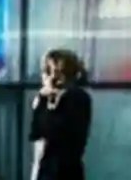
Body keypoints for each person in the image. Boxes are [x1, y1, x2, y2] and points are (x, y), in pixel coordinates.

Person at [29, 49, 92, 180]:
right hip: (47, 171)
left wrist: (47, 102)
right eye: (47, 72)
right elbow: (38, 138)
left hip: (66, 172)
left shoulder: (77, 97)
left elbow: (55, 130)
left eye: (57, 73)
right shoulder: (45, 99)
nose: (51, 78)